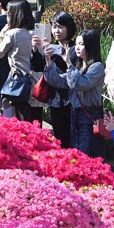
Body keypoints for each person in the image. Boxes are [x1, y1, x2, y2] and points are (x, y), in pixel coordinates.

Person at [46, 28, 106, 158]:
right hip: (74, 114)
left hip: (90, 116)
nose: (77, 48)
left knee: (88, 153)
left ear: (91, 46)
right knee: (76, 152)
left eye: (82, 44)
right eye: (77, 44)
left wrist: (68, 64)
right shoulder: (78, 67)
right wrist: (49, 62)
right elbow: (58, 82)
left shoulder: (97, 67)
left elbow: (80, 84)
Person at [0, 0, 37, 119]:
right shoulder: (35, 32)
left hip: (18, 80)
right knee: (32, 116)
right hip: (35, 81)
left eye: (9, 14)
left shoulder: (12, 34)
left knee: (11, 111)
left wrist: (1, 34)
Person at [43, 11, 79, 148]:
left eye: (60, 27)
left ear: (68, 28)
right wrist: (37, 51)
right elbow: (37, 68)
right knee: (58, 137)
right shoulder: (49, 48)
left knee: (71, 137)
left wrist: (66, 58)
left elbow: (73, 73)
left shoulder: (75, 48)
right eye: (54, 26)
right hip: (55, 100)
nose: (56, 31)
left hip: (71, 100)